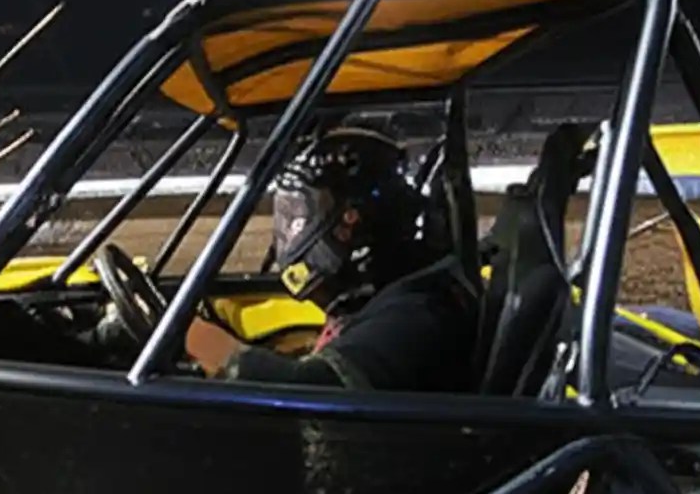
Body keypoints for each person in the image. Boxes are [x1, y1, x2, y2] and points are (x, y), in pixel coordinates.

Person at [184, 127, 481, 392]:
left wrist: (207, 345)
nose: (292, 233)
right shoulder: (381, 300)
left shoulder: (413, 313)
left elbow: (314, 395)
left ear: (352, 223)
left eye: (300, 217)